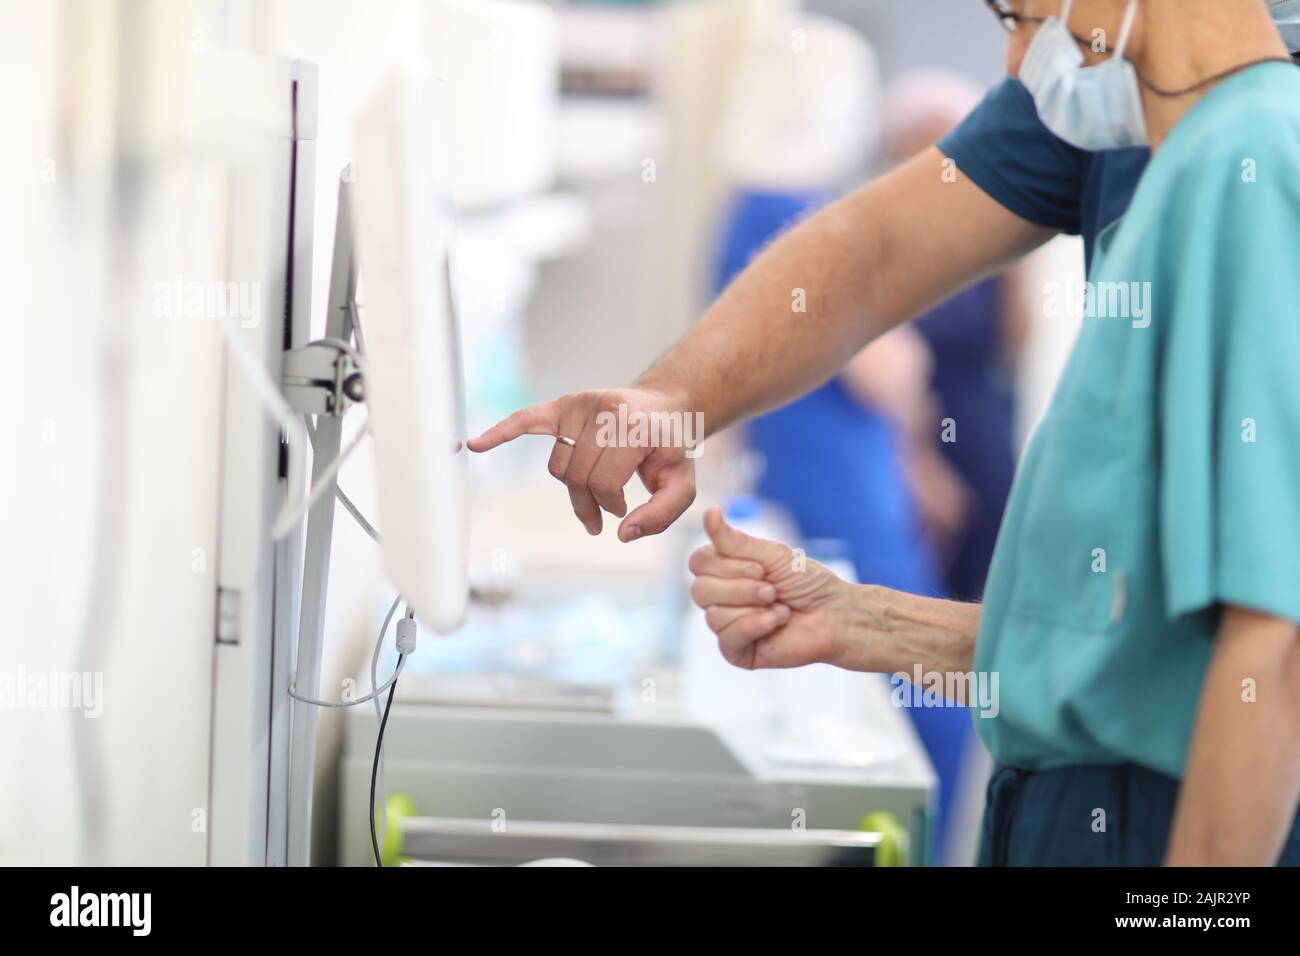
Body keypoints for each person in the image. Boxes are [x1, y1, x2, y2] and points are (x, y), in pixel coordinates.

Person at [470, 0, 1300, 864]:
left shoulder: (1248, 160)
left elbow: (1272, 652)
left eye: (1021, 15)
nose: (1018, 63)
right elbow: (1130, 646)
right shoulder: (1169, 160)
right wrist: (867, 622)